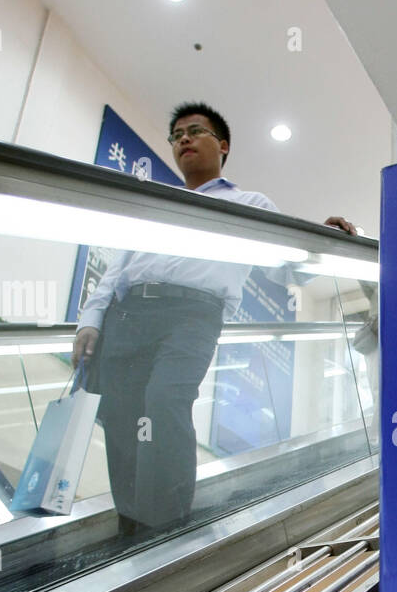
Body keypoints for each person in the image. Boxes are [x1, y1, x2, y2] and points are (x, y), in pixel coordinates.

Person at [72, 101, 356, 532]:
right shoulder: (156, 202)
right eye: (176, 135)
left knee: (166, 400)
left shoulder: (247, 203)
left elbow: (286, 268)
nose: (183, 139)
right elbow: (117, 269)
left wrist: (324, 239)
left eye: (194, 131)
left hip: (194, 315)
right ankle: (130, 525)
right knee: (122, 416)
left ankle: (168, 527)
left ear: (222, 145)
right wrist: (90, 320)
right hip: (129, 313)